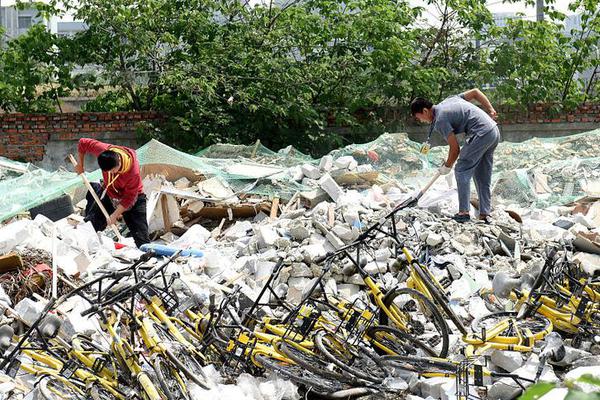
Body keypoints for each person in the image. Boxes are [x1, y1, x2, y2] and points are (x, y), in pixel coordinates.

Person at [410, 88, 500, 223]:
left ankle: (463, 212)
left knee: (461, 169)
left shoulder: (440, 119)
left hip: (481, 134)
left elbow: (455, 149)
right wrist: (490, 109)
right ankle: (484, 214)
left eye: (419, 118)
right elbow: (475, 92)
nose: (422, 121)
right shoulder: (450, 99)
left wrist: (447, 166)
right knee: (482, 174)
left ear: (425, 111)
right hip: (493, 131)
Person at [76, 138, 150, 247]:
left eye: (113, 171)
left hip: (133, 198)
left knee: (141, 237)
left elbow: (129, 198)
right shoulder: (103, 150)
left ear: (119, 162)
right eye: (107, 171)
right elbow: (83, 142)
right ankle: (79, 247)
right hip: (110, 193)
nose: (111, 173)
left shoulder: (133, 172)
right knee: (91, 224)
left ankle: (147, 259)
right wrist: (80, 165)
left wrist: (115, 215)